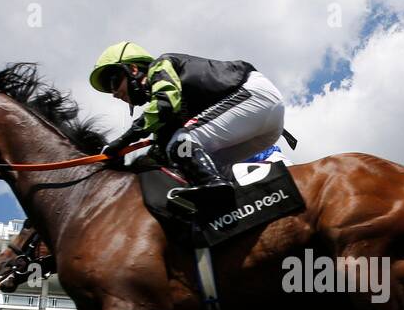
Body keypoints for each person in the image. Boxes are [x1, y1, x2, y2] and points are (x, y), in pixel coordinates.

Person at [88, 41, 287, 210]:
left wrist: (122, 141)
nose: (114, 93)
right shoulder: (166, 106)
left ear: (133, 69)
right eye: (109, 90)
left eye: (113, 82)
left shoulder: (161, 66)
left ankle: (215, 187)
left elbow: (164, 105)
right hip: (263, 126)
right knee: (193, 163)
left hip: (255, 97)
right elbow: (160, 152)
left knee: (182, 142)